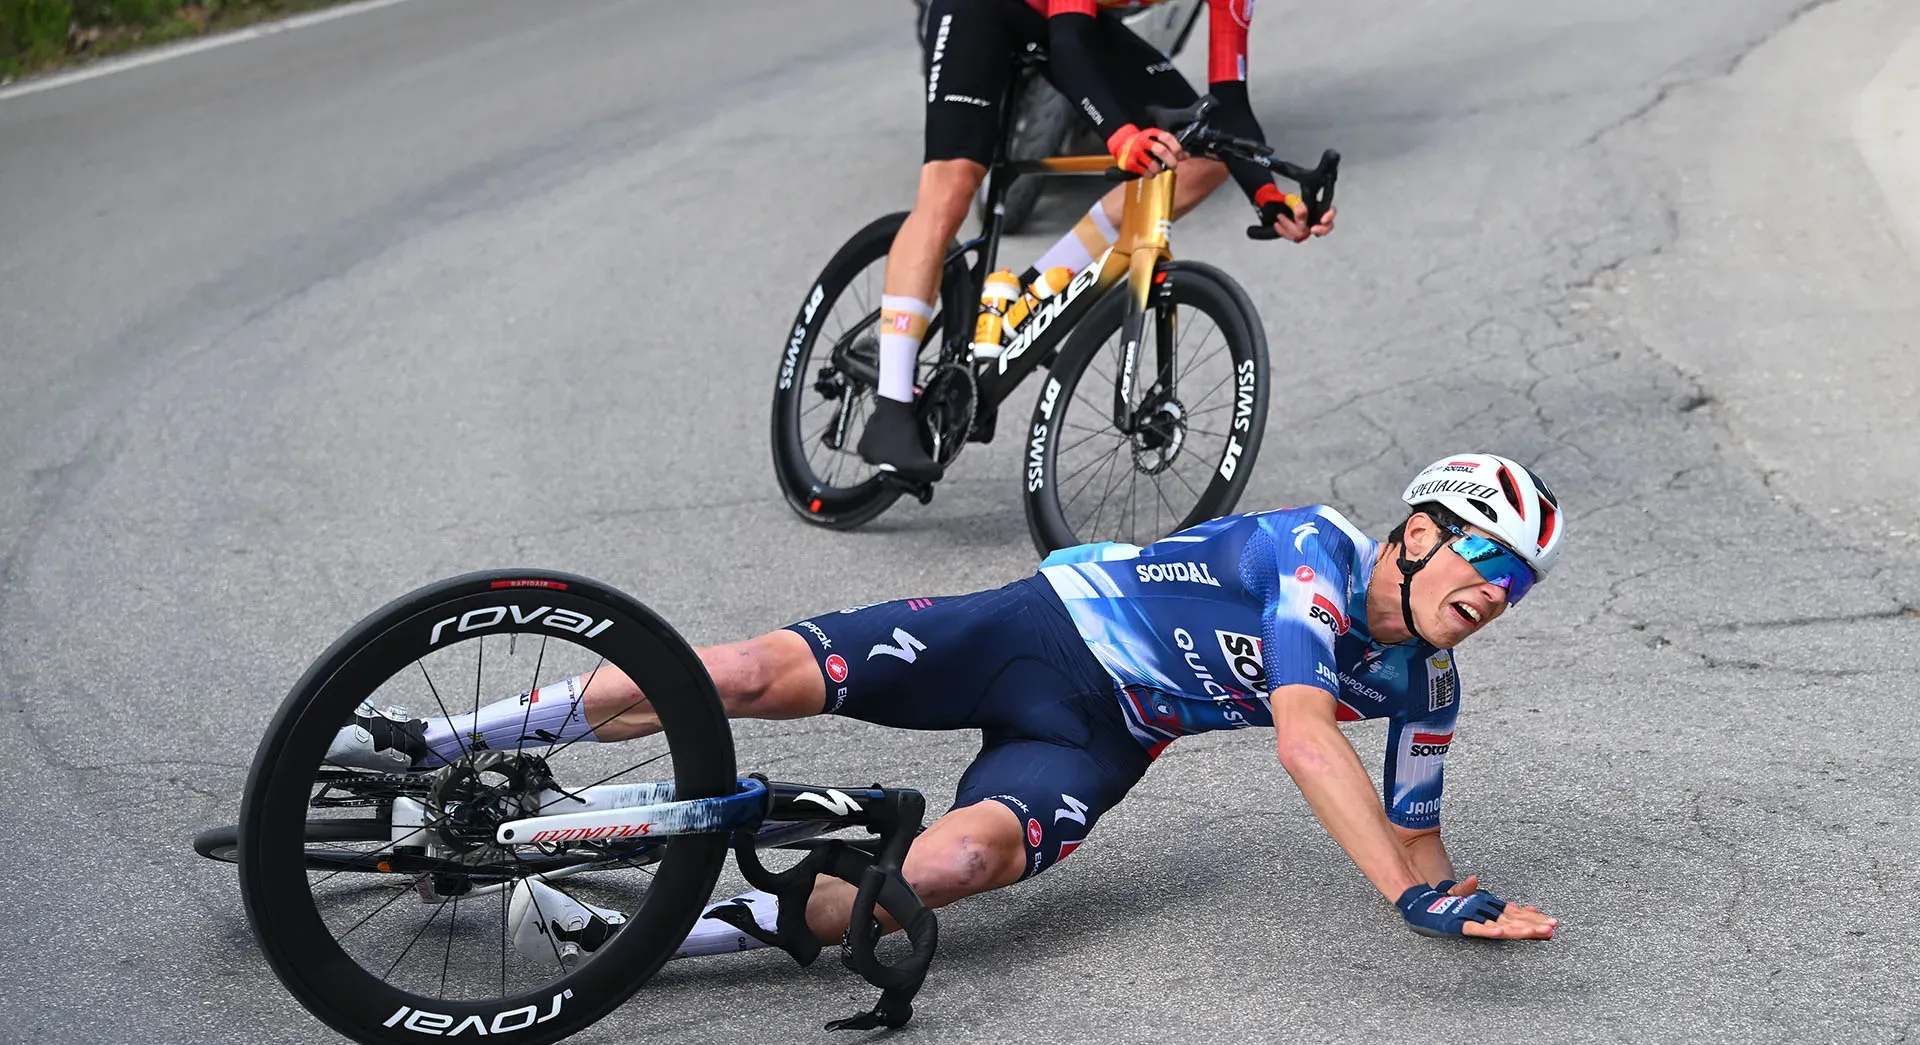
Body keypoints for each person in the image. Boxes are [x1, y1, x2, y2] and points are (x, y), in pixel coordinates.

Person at [333, 454, 1565, 947]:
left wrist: (1448, 892)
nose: (1500, 594)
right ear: (1416, 533)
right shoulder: (1312, 556)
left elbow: (1415, 822)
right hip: (1028, 635)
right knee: (745, 677)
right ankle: (430, 741)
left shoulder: (1423, 680)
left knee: (952, 866)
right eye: (1488, 562)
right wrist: (1403, 897)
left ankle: (646, 938)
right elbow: (1303, 741)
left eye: (1523, 584)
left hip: (1099, 738)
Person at [857, 0, 1336, 482]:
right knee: (950, 186)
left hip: (1068, 22)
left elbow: (1229, 105)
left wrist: (1270, 197)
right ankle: (891, 404)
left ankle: (1031, 294)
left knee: (1205, 155)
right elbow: (1067, 48)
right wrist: (1121, 136)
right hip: (986, 10)